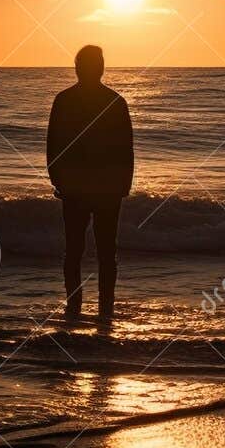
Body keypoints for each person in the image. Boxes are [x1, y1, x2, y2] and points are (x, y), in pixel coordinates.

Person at [46, 45, 133, 320]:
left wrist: (58, 179)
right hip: (98, 188)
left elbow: (53, 145)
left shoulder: (67, 100)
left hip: (82, 187)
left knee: (78, 251)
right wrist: (124, 184)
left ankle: (79, 308)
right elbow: (126, 148)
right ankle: (102, 309)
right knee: (102, 252)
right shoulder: (114, 101)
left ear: (78, 68)